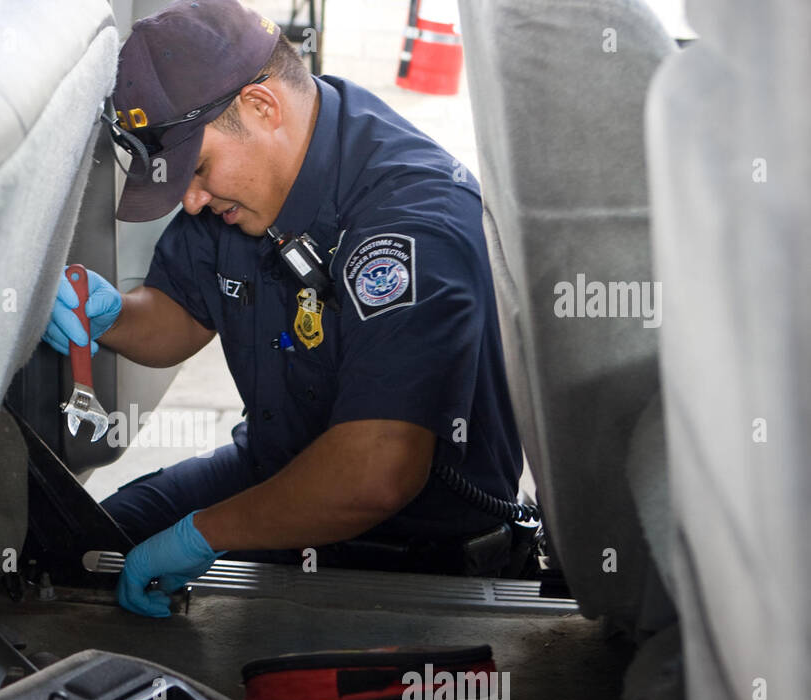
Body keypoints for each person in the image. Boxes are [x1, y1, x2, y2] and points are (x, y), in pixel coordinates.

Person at [43, 0, 524, 617]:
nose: (189, 201)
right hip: (273, 466)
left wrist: (203, 535)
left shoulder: (409, 221)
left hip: (410, 534)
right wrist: (109, 316)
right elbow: (180, 316)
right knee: (79, 552)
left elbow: (378, 471)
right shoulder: (237, 187)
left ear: (262, 107)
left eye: (198, 170)